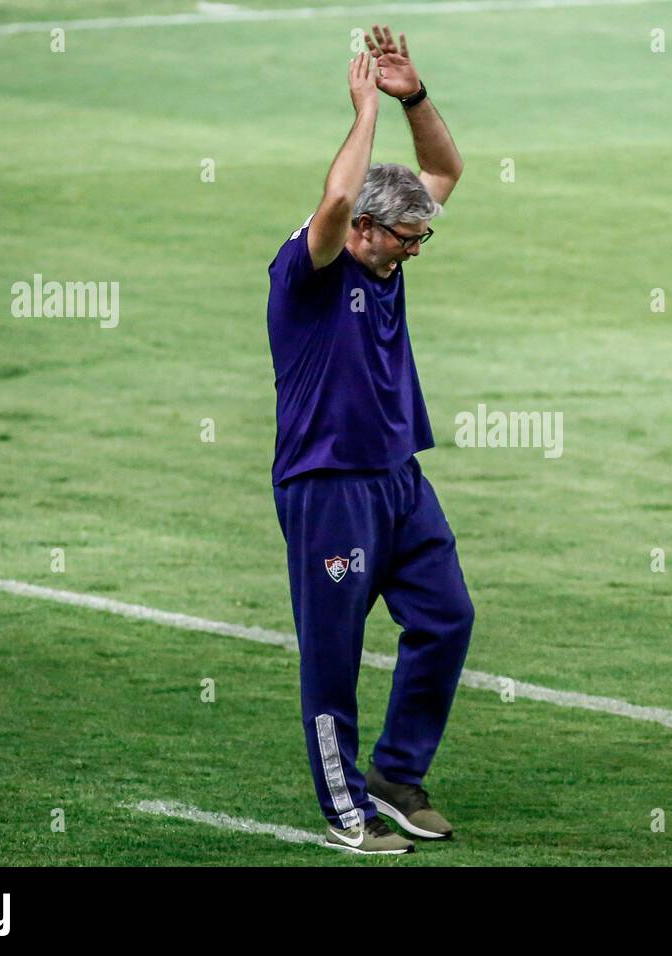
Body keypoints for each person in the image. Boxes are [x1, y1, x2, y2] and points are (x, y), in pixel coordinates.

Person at [266, 24, 473, 855]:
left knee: (448, 618)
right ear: (365, 230)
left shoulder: (390, 247)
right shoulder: (308, 271)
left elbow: (447, 172)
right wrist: (362, 113)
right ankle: (342, 807)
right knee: (334, 653)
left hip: (398, 481)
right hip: (327, 489)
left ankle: (394, 775)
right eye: (406, 239)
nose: (417, 249)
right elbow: (335, 201)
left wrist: (412, 97)